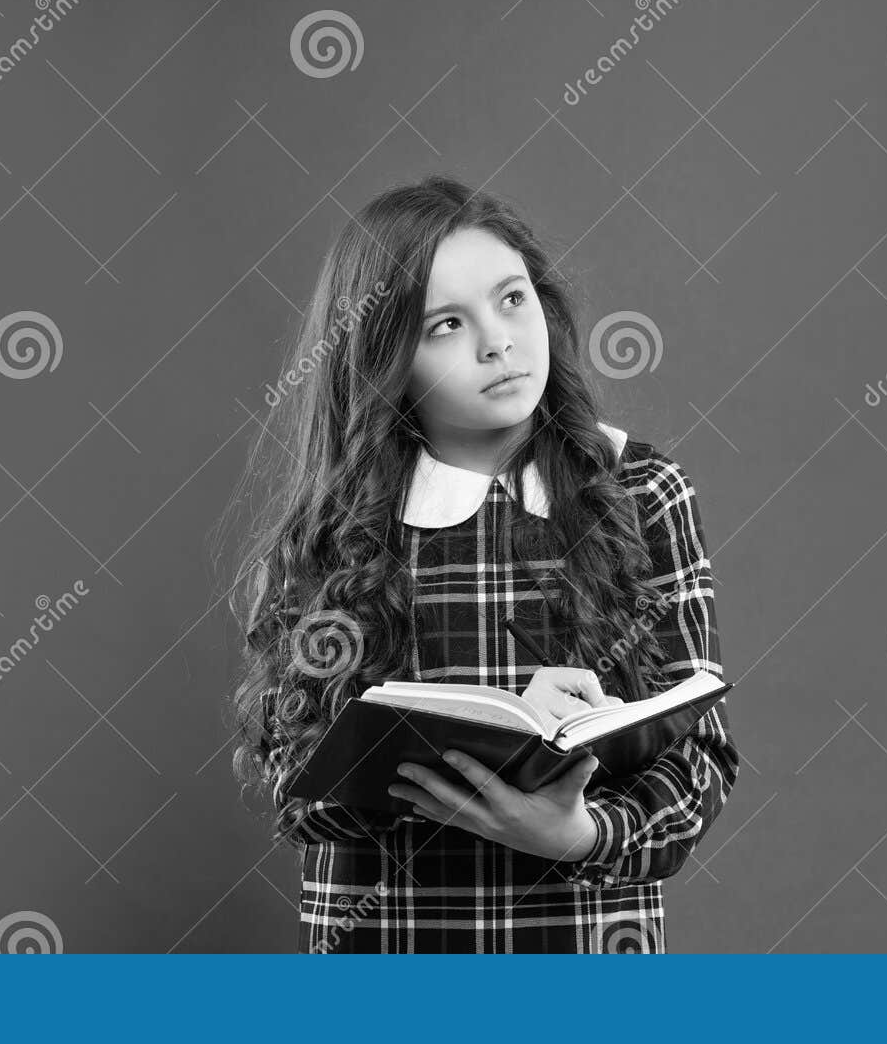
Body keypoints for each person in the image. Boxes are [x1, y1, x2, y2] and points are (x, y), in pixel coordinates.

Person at [228, 174, 740, 953]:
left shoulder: (644, 489)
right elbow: (299, 794)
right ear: (385, 359)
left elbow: (698, 763)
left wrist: (578, 834)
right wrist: (494, 721)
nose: (497, 342)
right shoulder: (336, 528)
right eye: (444, 325)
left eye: (511, 299)